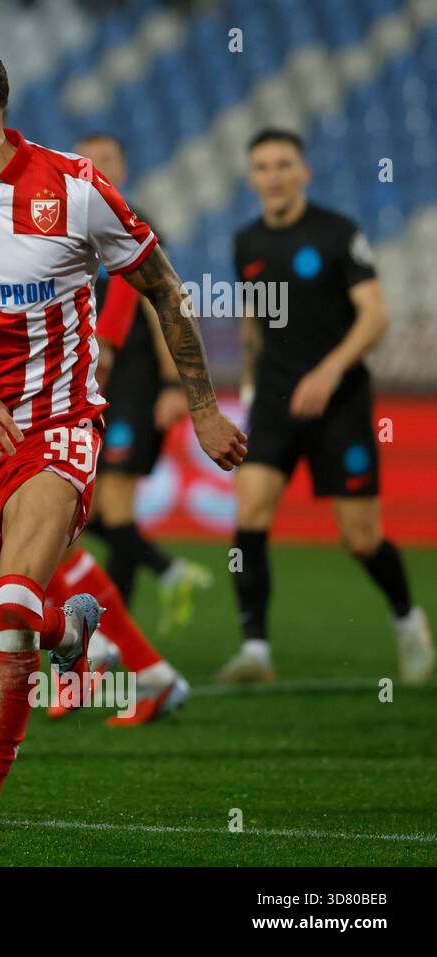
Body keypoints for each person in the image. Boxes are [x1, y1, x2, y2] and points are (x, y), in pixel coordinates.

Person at [0, 41, 245, 857]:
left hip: (56, 428)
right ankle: (70, 625)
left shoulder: (74, 190)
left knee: (9, 613)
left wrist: (205, 407)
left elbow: (161, 289)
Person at [219, 128, 432, 685]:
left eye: (284, 164)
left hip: (340, 403)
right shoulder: (246, 242)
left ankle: (409, 622)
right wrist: (248, 384)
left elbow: (376, 315)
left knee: (360, 538)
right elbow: (252, 321)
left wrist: (330, 370)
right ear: (252, 179)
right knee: (250, 513)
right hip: (273, 400)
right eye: (263, 167)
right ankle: (256, 651)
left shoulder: (339, 234)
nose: (274, 176)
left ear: (303, 172)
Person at [73, 133, 214, 632]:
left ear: (124, 170)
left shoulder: (136, 226)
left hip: (132, 384)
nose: (96, 168)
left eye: (106, 160)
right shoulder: (64, 223)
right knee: (87, 513)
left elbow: (164, 307)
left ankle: (114, 633)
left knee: (113, 508)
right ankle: (168, 573)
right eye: (86, 160)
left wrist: (176, 386)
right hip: (83, 385)